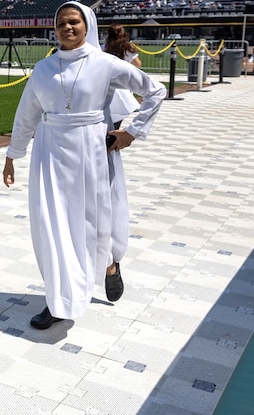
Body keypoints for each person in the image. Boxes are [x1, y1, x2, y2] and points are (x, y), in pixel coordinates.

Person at [1, 2, 165, 330]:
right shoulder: (44, 69)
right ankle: (60, 300)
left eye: (73, 21)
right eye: (61, 23)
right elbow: (27, 114)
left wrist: (131, 132)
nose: (68, 28)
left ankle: (108, 265)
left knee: (92, 223)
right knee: (52, 226)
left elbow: (155, 91)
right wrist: (12, 155)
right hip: (49, 152)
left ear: (86, 25)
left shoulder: (105, 64)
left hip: (90, 150)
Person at [103, 23, 143, 300]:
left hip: (111, 105)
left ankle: (110, 262)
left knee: (106, 200)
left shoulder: (120, 52)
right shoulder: (109, 51)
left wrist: (131, 131)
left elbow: (143, 79)